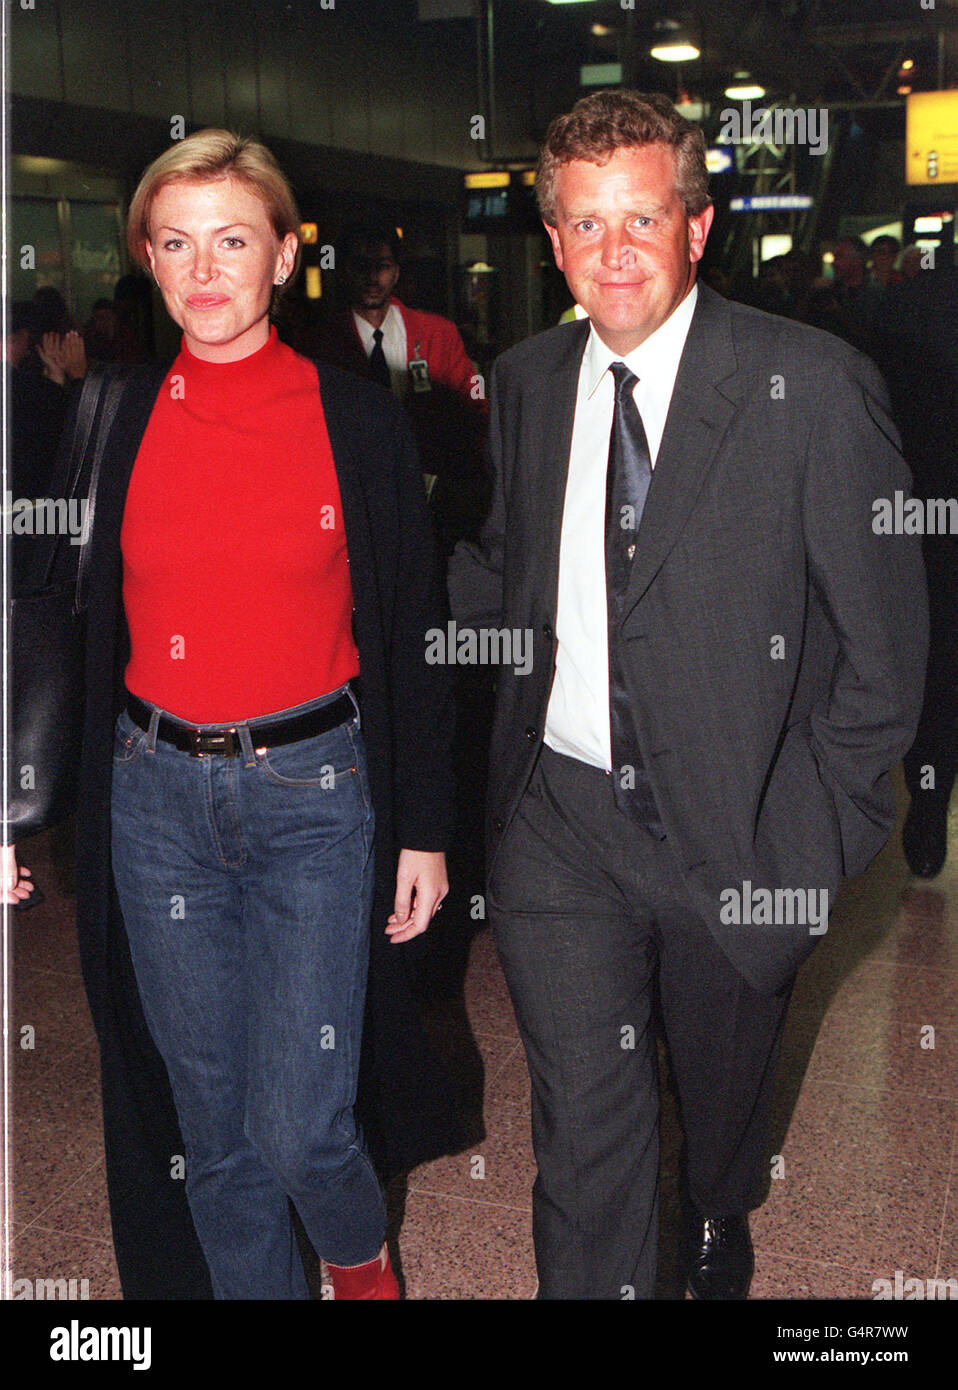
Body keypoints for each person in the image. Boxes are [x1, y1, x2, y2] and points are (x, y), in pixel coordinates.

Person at [447, 89, 927, 1301]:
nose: (614, 252)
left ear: (697, 228)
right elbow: (505, 567)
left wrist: (805, 843)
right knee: (587, 1130)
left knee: (717, 1114)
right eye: (585, 223)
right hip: (559, 824)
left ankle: (720, 1199)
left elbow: (884, 664)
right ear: (552, 240)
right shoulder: (527, 379)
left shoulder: (811, 387)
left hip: (737, 827)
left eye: (642, 219)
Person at [4, 128, 457, 1300]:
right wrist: (11, 798)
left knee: (302, 1121)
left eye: (233, 242)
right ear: (149, 259)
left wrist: (425, 826)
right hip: (154, 801)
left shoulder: (353, 420)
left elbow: (411, 634)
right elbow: (43, 620)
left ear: (284, 254)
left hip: (316, 795)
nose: (204, 272)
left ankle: (362, 1272)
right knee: (214, 1134)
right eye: (176, 244)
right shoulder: (112, 418)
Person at [314, 222, 487, 556]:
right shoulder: (320, 343)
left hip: (432, 507)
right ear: (343, 271)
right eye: (360, 266)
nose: (372, 277)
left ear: (396, 272)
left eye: (382, 266)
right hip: (352, 507)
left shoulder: (438, 334)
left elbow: (474, 408)